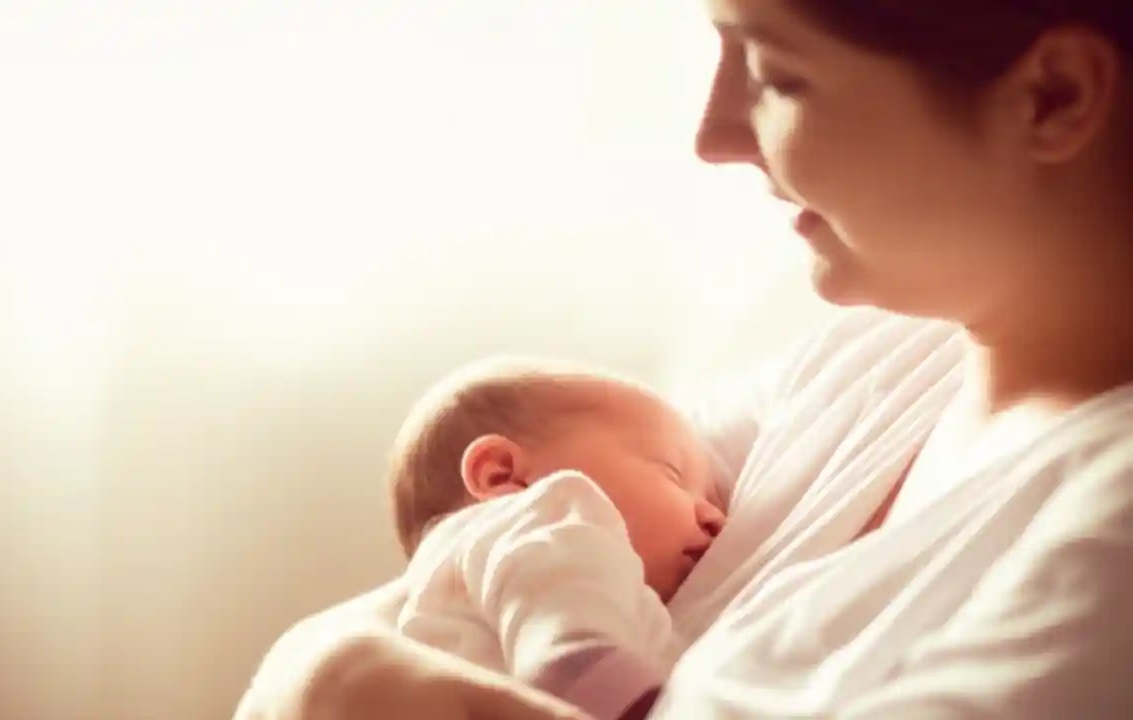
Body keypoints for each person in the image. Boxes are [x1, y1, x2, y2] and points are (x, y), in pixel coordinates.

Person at [235, 1, 1133, 717]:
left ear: (1053, 95)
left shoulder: (1105, 544)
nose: (715, 135)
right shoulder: (878, 356)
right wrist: (320, 665)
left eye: (778, 74)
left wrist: (329, 677)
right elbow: (494, 530)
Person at [234, 359, 727, 720]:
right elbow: (572, 658)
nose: (714, 515)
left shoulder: (451, 592)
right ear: (502, 475)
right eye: (671, 473)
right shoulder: (550, 511)